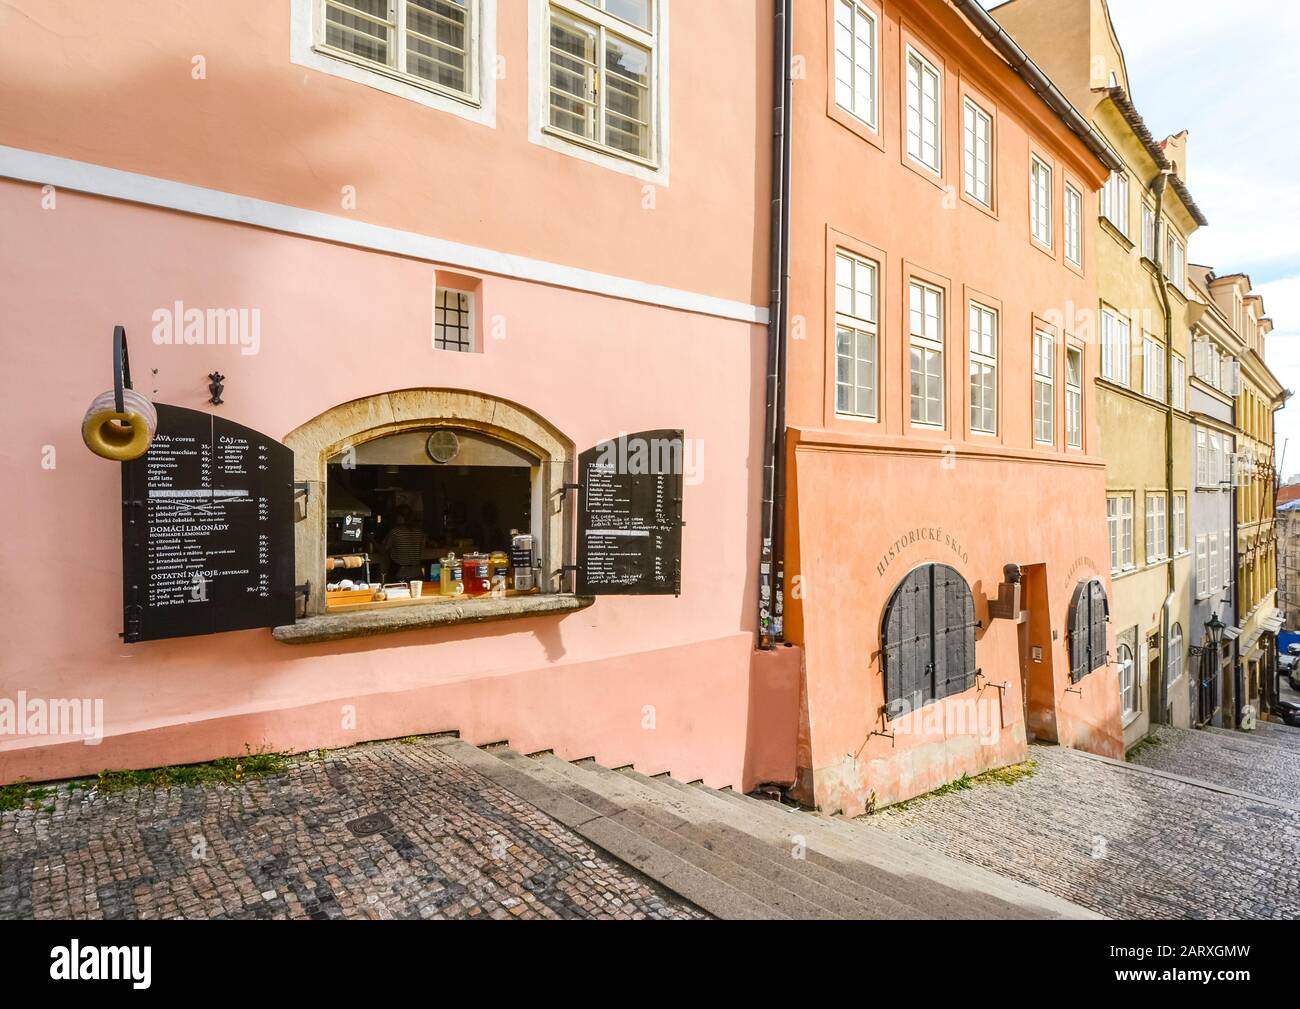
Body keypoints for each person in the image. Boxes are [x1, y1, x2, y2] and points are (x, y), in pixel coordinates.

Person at [382, 505, 425, 581]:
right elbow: (421, 550)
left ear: (399, 517)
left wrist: (371, 540)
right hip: (417, 573)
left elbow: (383, 550)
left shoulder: (395, 532)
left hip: (400, 574)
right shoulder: (419, 532)